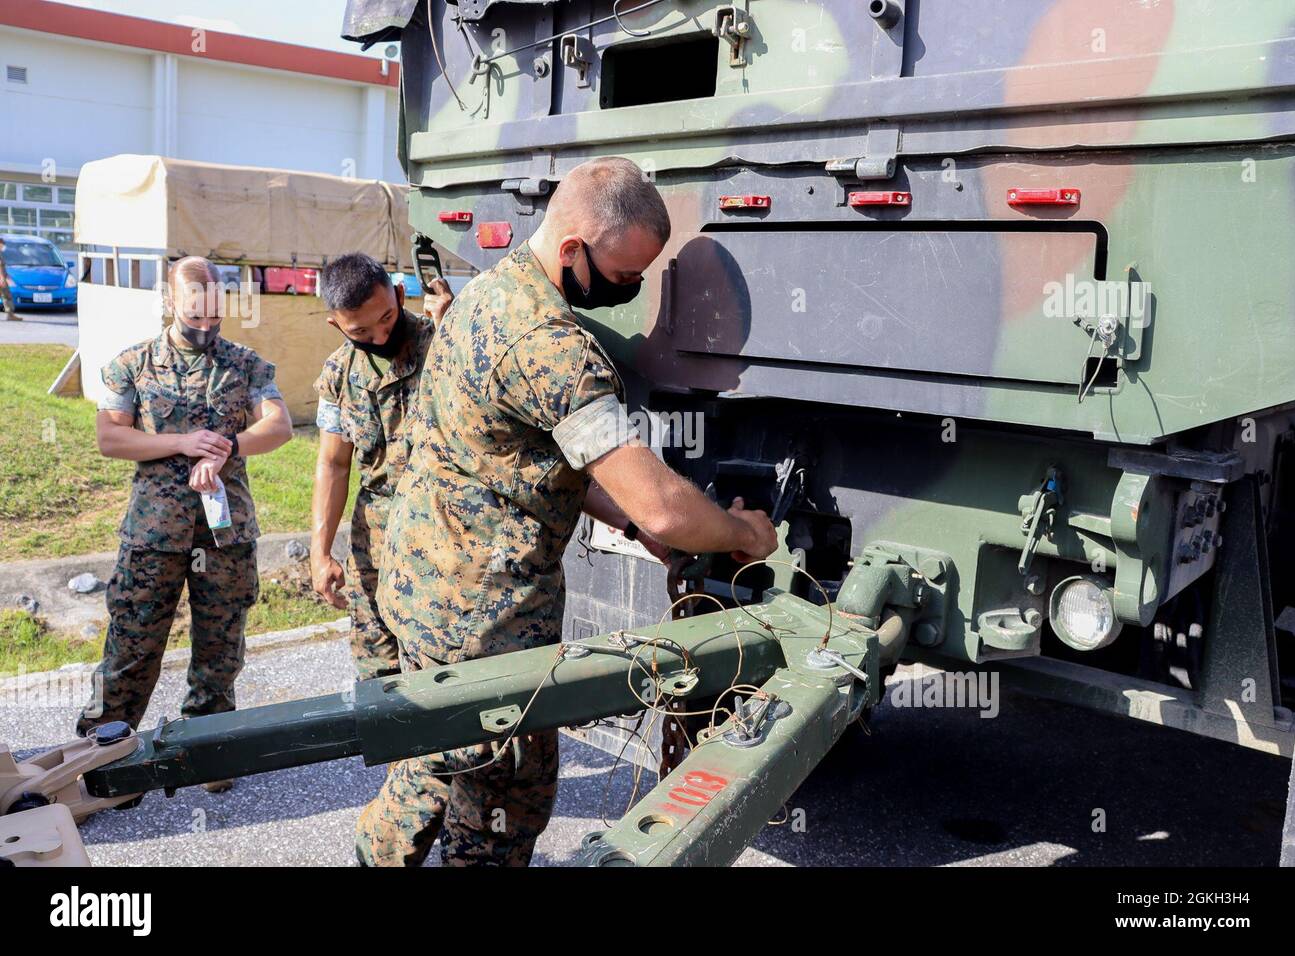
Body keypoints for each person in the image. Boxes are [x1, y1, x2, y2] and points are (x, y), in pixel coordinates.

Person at [356, 156, 778, 866]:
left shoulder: (486, 296)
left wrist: (628, 523)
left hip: (426, 588)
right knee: (500, 805)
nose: (631, 291)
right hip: (486, 625)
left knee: (426, 766)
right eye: (621, 278)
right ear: (574, 249)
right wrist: (742, 532)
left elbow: (537, 461)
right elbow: (666, 506)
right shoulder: (549, 346)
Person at [76, 257, 293, 794]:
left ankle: (208, 751)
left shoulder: (246, 364)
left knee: (221, 647)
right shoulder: (133, 363)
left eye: (214, 310)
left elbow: (280, 425)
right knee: (132, 643)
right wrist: (180, 442)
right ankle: (105, 755)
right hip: (154, 534)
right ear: (170, 301)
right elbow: (111, 439)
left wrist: (229, 446)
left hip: (225, 533)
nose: (205, 322)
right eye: (194, 310)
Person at [310, 253, 452, 680]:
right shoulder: (338, 372)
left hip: (444, 545)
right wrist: (319, 552)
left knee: (443, 677)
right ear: (336, 325)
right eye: (362, 331)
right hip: (375, 551)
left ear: (399, 293)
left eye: (387, 317)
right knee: (380, 680)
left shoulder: (443, 344)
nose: (381, 333)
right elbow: (334, 464)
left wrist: (451, 328)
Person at [0, 237, 18, 320]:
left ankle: (10, 314)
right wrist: (3, 278)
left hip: (2, 278)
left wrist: (7, 276)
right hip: (1, 279)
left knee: (6, 296)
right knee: (7, 296)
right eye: (2, 244)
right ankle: (10, 315)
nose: (3, 246)